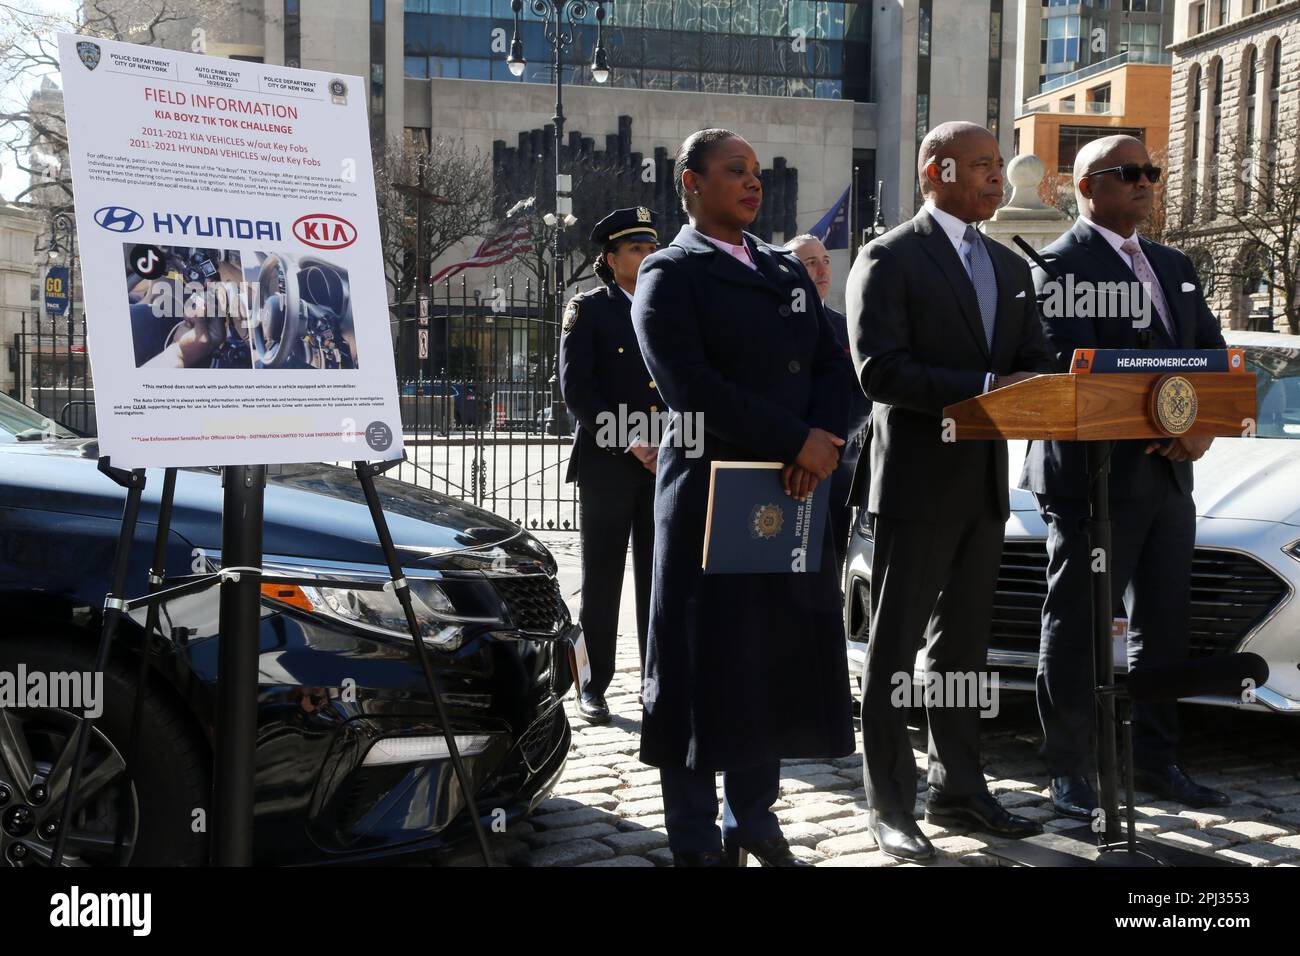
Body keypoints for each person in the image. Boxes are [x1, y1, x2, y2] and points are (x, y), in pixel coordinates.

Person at [632, 128, 855, 867]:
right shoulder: (670, 273)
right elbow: (692, 388)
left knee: (771, 660)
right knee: (702, 667)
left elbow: (836, 364)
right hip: (709, 498)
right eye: (736, 172)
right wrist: (796, 440)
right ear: (691, 183)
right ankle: (696, 839)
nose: (753, 184)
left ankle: (754, 819)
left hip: (791, 494)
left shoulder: (784, 271)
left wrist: (822, 436)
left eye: (758, 172)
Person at [845, 120, 1055, 862]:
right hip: (915, 483)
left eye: (1000, 166)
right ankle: (890, 807)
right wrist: (992, 388)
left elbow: (1031, 362)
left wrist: (1055, 385)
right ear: (936, 172)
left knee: (962, 652)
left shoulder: (1007, 265)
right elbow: (881, 373)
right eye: (983, 166)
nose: (998, 179)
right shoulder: (889, 257)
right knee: (895, 650)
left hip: (983, 486)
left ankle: (960, 790)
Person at [1020, 134, 1231, 818]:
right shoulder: (1056, 266)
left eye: (1151, 172)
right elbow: (1066, 366)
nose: (1146, 182)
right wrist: (1164, 420)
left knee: (1164, 625)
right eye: (1128, 173)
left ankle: (1156, 760)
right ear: (1087, 188)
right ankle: (1071, 768)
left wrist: (1198, 425)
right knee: (1080, 625)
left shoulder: (1175, 263)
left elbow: (1212, 355)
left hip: (1171, 477)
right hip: (1094, 477)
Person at [558, 207, 662, 724]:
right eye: (635, 249)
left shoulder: (667, 307)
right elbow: (578, 391)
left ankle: (655, 681)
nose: (646, 257)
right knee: (602, 577)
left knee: (657, 576)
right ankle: (592, 683)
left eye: (650, 248)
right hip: (608, 462)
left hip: (666, 459)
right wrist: (633, 441)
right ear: (610, 258)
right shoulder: (589, 309)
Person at [786, 233, 872, 571]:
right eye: (810, 263)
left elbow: (863, 395)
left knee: (827, 565)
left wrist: (827, 441)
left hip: (833, 466)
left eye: (825, 261)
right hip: (782, 462)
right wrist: (795, 441)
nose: (822, 270)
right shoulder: (774, 327)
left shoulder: (847, 328)